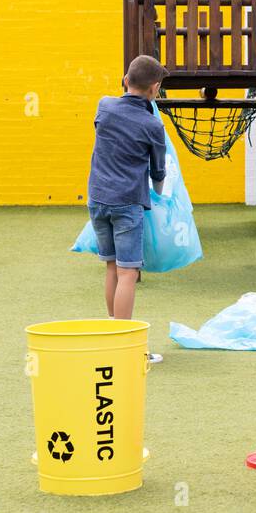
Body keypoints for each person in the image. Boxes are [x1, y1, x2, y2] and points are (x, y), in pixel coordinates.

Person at [88, 55, 167, 358]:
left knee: (111, 266)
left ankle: (112, 333)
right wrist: (159, 192)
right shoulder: (152, 125)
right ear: (155, 89)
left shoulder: (104, 106)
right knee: (127, 274)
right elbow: (158, 172)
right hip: (127, 203)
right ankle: (125, 347)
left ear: (125, 80)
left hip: (97, 199)